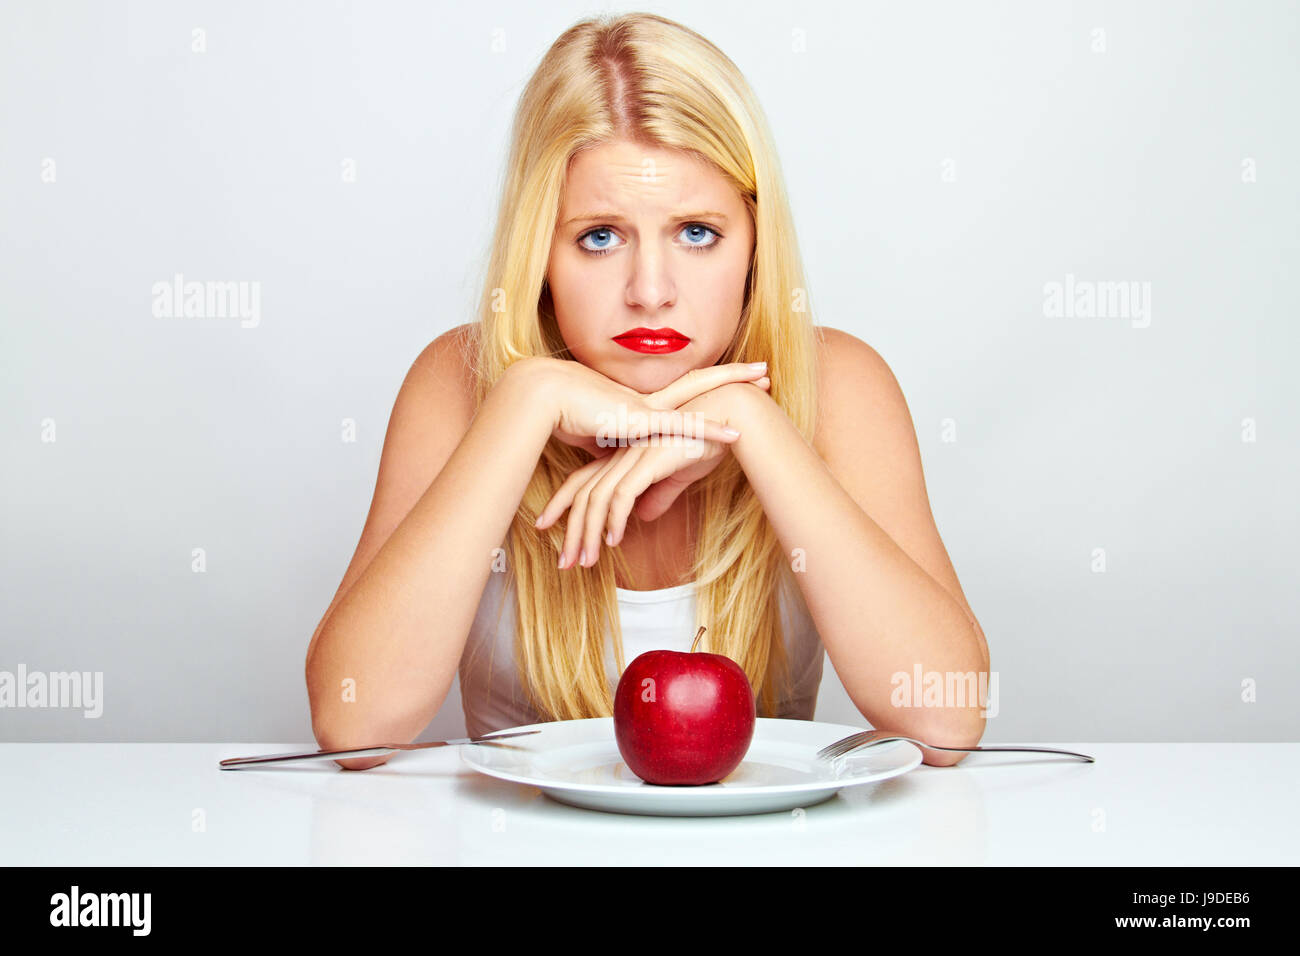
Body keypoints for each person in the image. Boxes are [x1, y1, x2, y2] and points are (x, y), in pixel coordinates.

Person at [305, 12, 989, 771]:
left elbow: (947, 723)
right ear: (540, 252)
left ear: (755, 243)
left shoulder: (840, 387)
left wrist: (748, 423)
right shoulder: (459, 385)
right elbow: (355, 724)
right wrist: (525, 400)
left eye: (697, 232)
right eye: (600, 237)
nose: (651, 292)